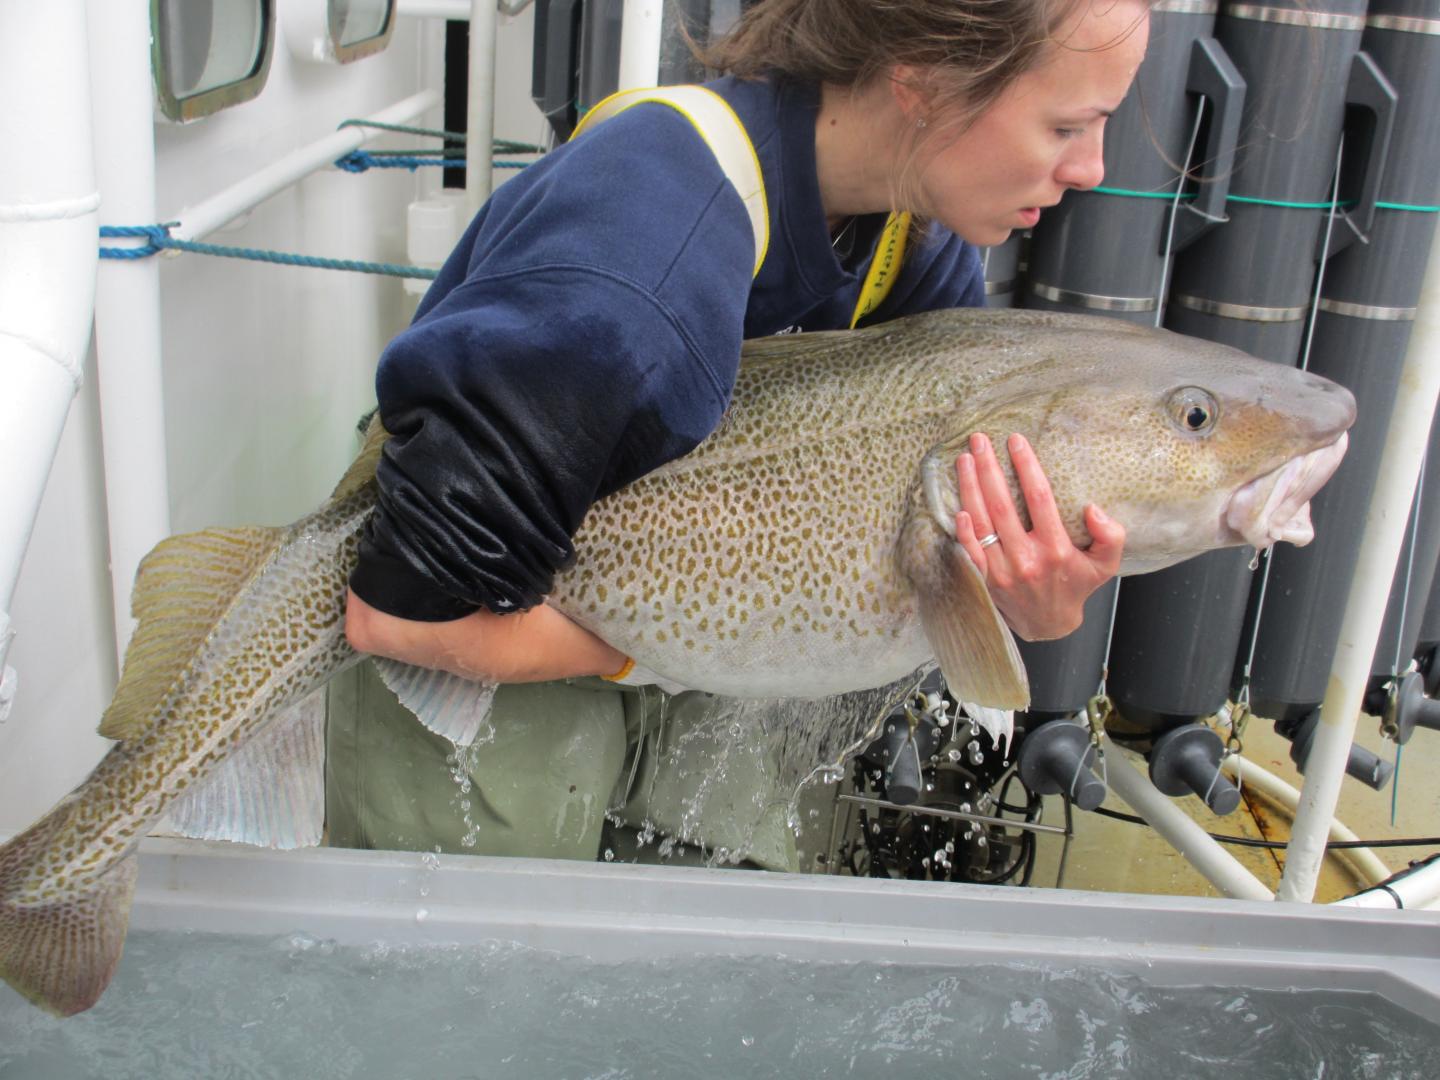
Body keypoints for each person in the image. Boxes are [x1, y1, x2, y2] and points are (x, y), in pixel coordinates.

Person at [326, 0, 1149, 867]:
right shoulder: (643, 256)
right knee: (472, 962)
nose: (1092, 169)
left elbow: (921, 545)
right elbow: (403, 614)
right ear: (926, 83)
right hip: (474, 597)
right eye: (1068, 126)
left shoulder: (918, 245)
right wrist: (651, 650)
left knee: (703, 926)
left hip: (673, 606)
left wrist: (1014, 602)